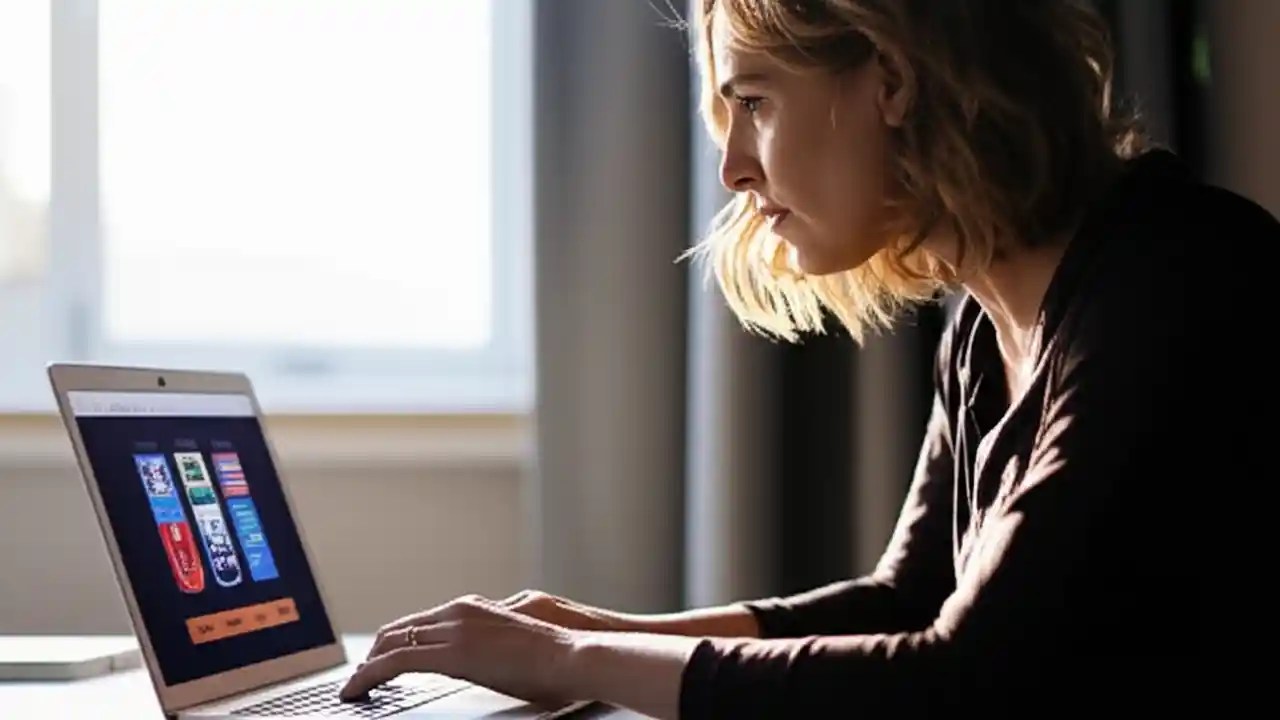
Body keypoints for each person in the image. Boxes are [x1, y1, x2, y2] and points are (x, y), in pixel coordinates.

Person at [342, 0, 1275, 716]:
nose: (732, 170)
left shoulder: (1175, 278)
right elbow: (906, 602)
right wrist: (603, 633)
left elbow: (965, 674)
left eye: (754, 101)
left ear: (893, 78)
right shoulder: (988, 324)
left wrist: (568, 663)